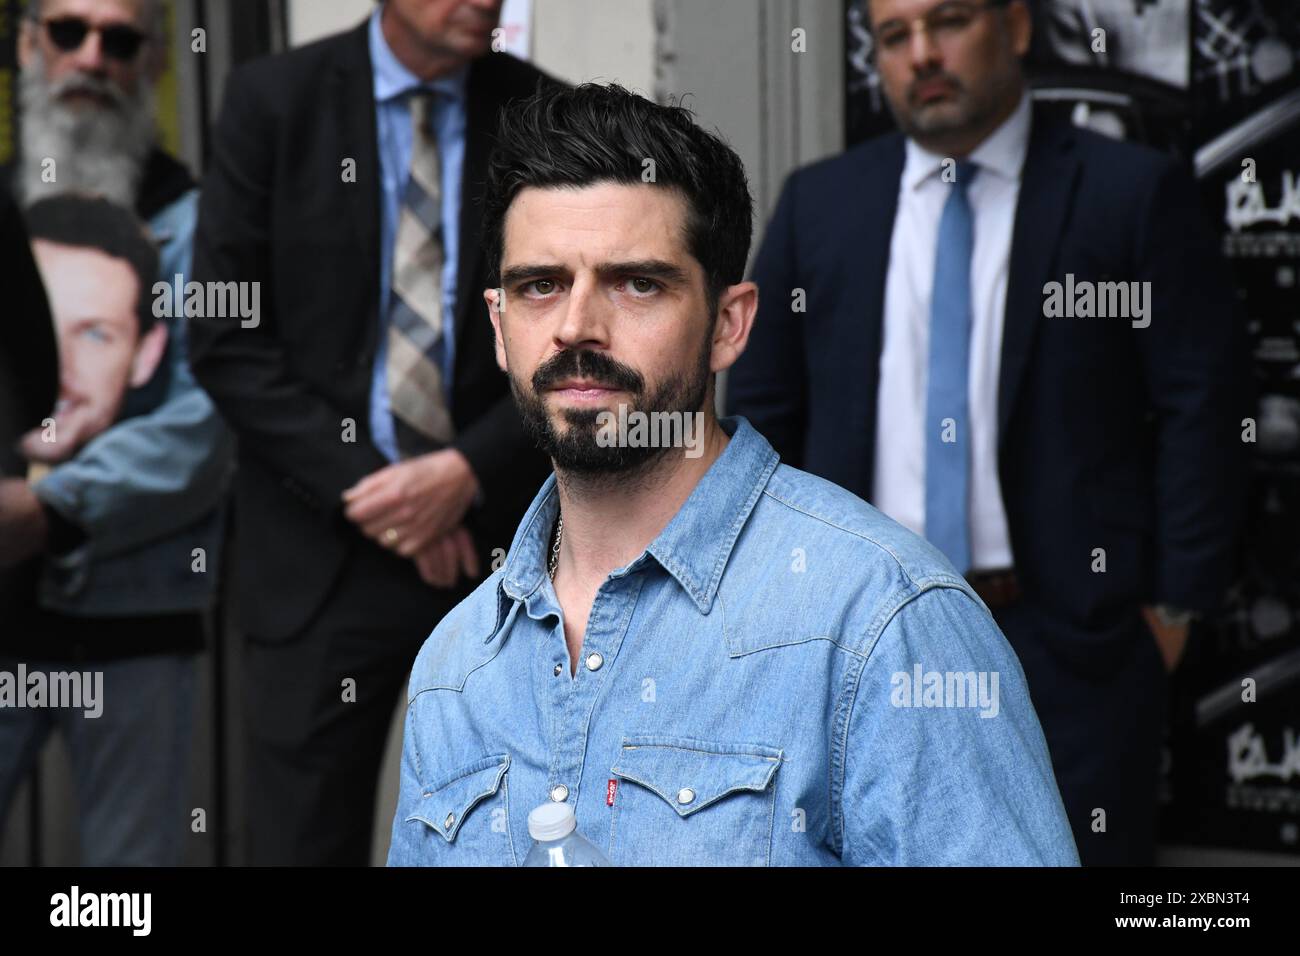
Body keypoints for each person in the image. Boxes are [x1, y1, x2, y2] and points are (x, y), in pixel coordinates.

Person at [386, 82, 1079, 867]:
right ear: (500, 328)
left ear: (729, 323)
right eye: (540, 285)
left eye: (636, 282)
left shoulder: (881, 620)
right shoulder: (455, 666)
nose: (577, 324)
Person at [727, 0, 1252, 865]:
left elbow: (1204, 404)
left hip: (1069, 647)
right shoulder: (822, 204)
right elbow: (765, 420)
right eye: (894, 38)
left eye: (950, 22)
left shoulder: (1128, 192)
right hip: (858, 639)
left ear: (1014, 26)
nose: (922, 54)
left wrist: (1169, 608)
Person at [189, 0, 557, 864]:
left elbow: (570, 344)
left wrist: (463, 473)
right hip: (317, 552)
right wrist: (389, 497)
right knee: (301, 843)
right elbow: (225, 333)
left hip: (497, 549)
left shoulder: (541, 115)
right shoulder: (273, 100)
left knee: (519, 833)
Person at [0, 197, 220, 866]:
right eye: (43, 327)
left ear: (145, 348)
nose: (59, 367)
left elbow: (206, 420)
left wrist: (56, 505)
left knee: (126, 887)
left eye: (94, 333)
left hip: (137, 621)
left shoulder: (198, 218)